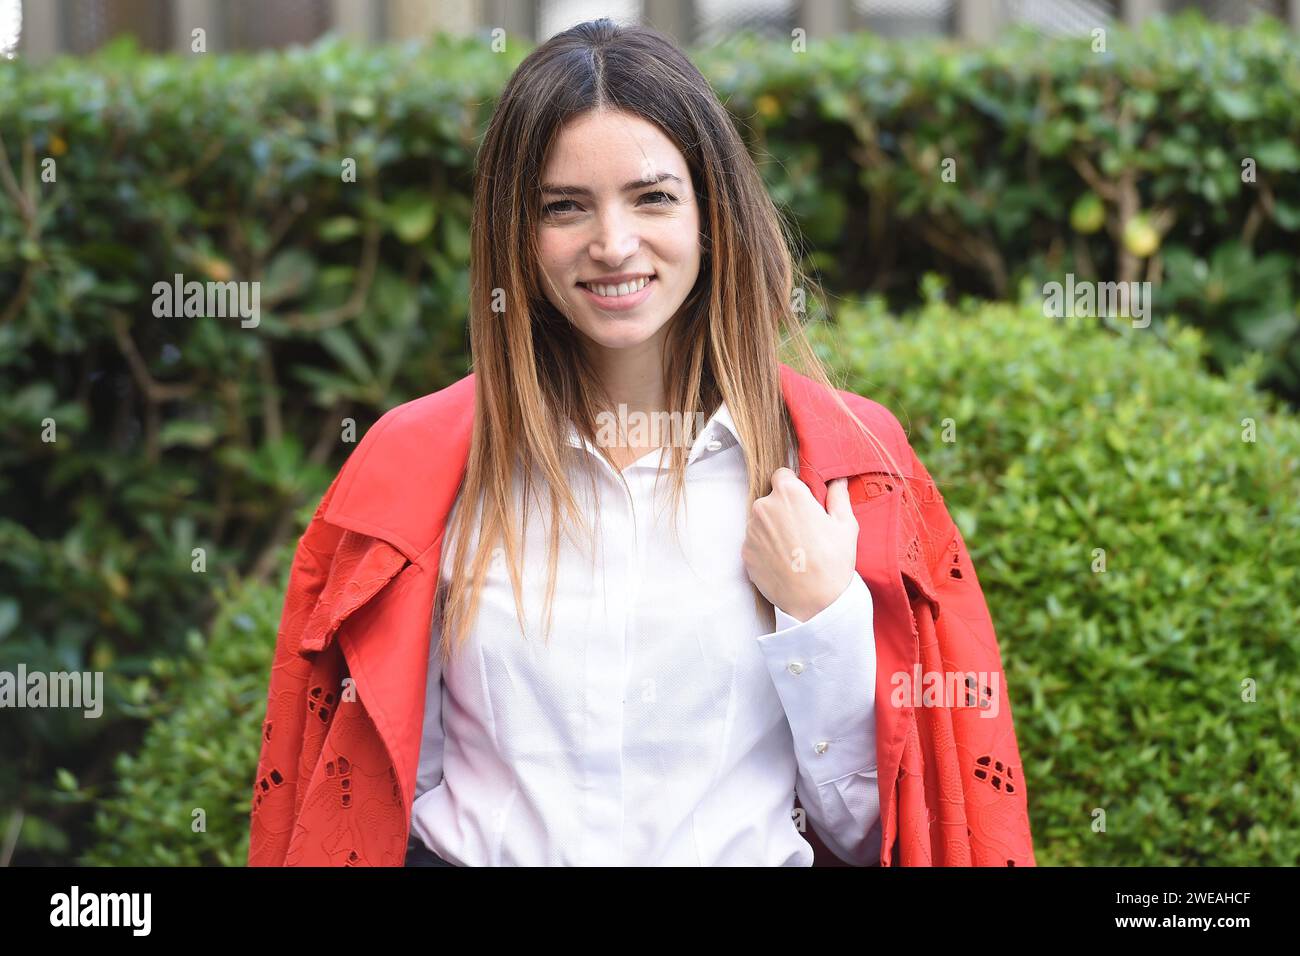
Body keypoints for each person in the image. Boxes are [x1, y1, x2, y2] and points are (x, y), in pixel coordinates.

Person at [247, 18, 1036, 868]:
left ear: (711, 213)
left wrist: (823, 616)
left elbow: (896, 831)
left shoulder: (849, 462)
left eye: (653, 196)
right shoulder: (414, 470)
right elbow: (367, 800)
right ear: (516, 233)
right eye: (565, 207)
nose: (613, 244)